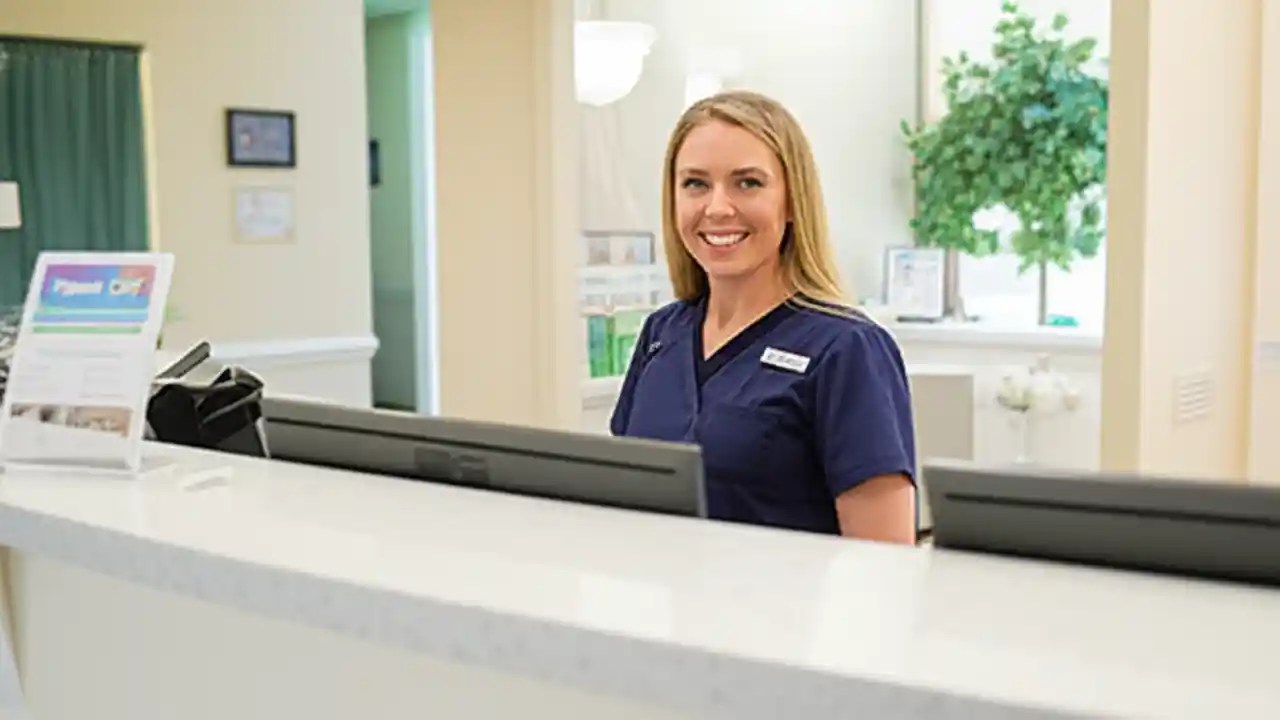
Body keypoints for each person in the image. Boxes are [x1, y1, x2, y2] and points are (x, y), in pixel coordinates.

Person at [610, 91, 917, 544]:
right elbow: (621, 509)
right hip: (660, 612)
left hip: (783, 615)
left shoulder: (847, 350)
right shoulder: (662, 334)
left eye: (747, 183)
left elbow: (885, 563)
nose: (717, 207)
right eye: (695, 183)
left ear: (792, 202)